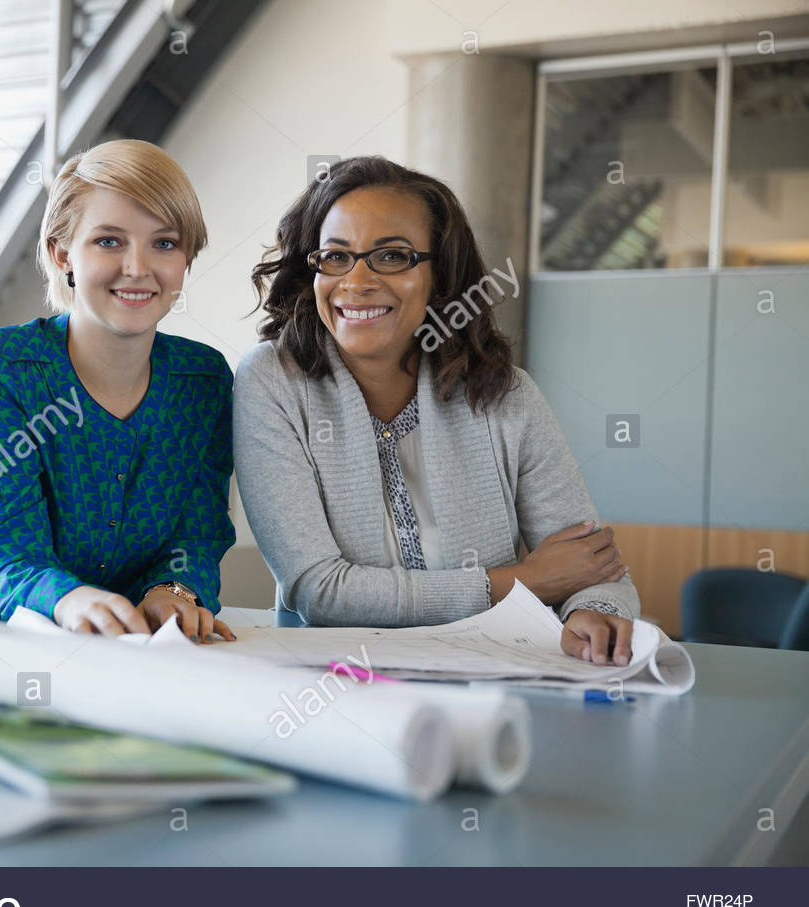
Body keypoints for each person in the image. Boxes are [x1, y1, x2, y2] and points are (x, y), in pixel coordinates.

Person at [234, 155, 641, 666]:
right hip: (335, 685)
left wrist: (591, 610)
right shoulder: (272, 382)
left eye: (392, 257)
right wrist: (526, 583)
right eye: (336, 257)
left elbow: (592, 566)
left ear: (441, 276)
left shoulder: (507, 394)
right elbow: (322, 592)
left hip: (494, 677)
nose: (356, 281)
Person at [0, 139, 236, 642]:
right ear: (63, 255)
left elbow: (197, 532)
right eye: (109, 241)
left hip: (136, 657)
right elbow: (7, 553)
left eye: (164, 243)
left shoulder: (203, 380)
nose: (138, 267)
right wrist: (69, 599)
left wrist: (176, 589)